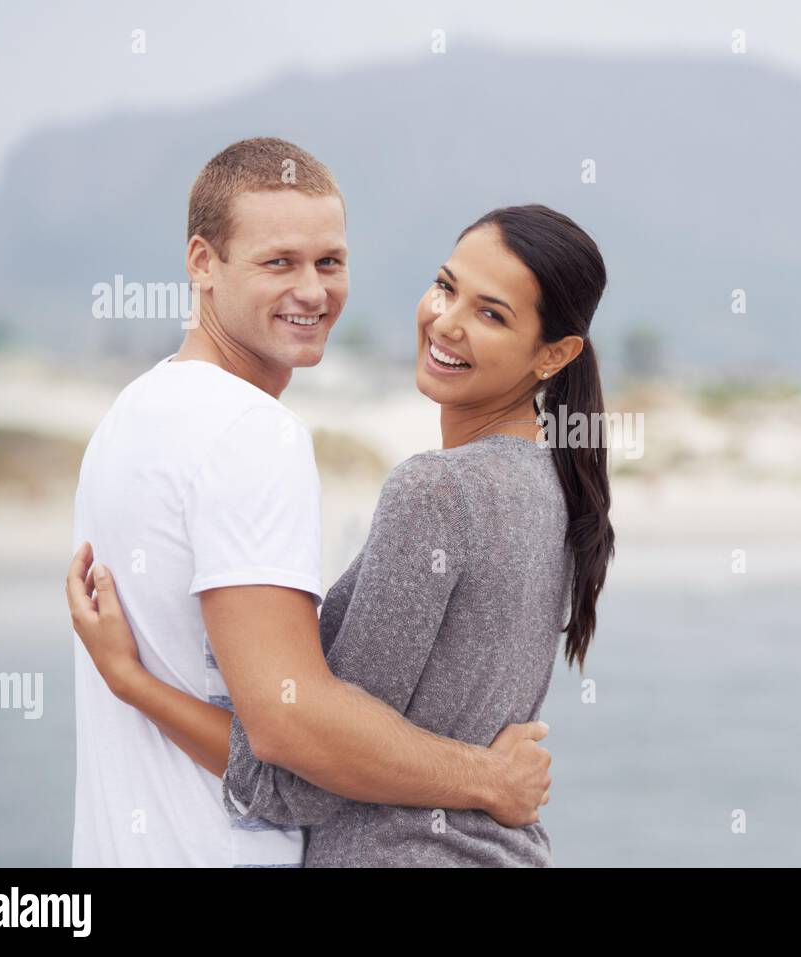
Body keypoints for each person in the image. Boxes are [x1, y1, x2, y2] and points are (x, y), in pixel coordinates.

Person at [65, 139, 552, 867]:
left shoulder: (129, 415)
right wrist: (490, 779)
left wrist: (134, 683)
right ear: (202, 262)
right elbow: (289, 725)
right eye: (278, 263)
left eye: (329, 262)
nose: (313, 291)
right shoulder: (251, 431)